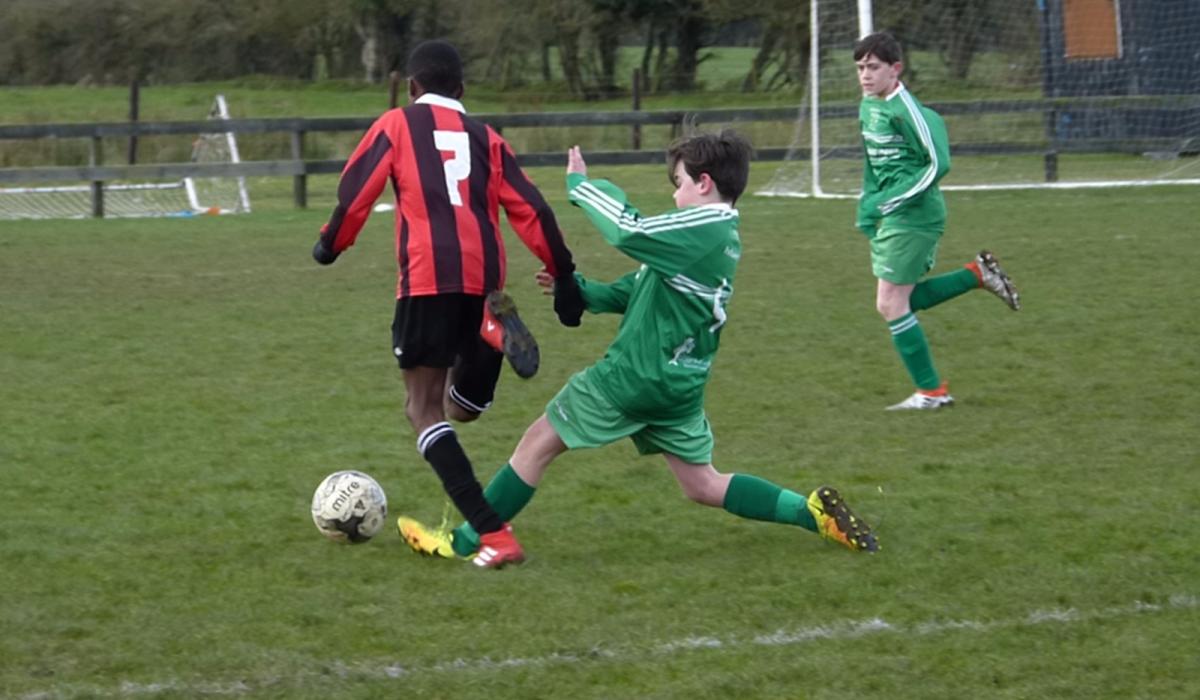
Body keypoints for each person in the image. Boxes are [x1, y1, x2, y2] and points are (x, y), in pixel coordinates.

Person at [398, 130, 878, 569]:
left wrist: (581, 186)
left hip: (633, 377)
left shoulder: (703, 229)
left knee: (538, 442)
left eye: (680, 183)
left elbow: (629, 230)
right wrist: (584, 291)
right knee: (703, 484)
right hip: (679, 386)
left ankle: (469, 540)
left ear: (705, 183)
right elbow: (643, 287)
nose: (675, 193)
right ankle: (810, 510)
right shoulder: (720, 235)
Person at [311, 40, 585, 561]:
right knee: (461, 409)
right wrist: (563, 275)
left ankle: (493, 533)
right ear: (462, 91)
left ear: (412, 88)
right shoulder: (487, 138)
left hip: (427, 277)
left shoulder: (397, 124)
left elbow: (356, 192)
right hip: (485, 280)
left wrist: (332, 242)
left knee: (422, 408)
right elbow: (532, 209)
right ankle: (491, 330)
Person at [853, 32, 1021, 411]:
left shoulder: (907, 111)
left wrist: (891, 202)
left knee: (891, 303)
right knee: (898, 300)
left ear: (896, 69)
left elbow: (938, 165)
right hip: (891, 211)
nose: (865, 75)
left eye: (874, 67)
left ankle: (932, 392)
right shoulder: (869, 105)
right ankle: (977, 274)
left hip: (915, 216)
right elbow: (873, 160)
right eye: (860, 68)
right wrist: (867, 202)